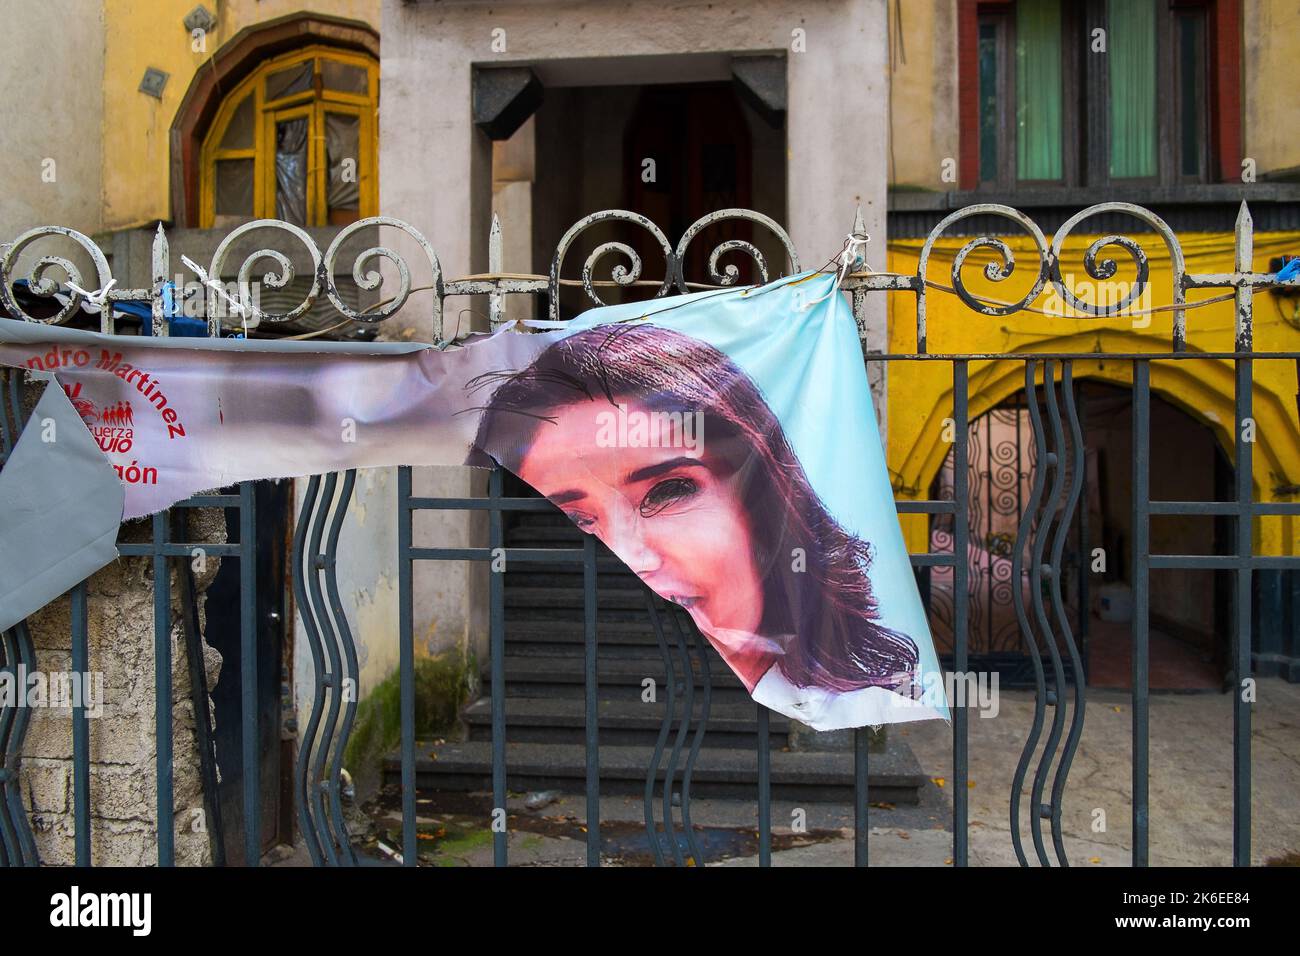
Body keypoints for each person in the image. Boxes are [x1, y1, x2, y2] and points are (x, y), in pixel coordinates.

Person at [468, 322, 944, 729]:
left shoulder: (873, 696)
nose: (631, 557)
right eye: (580, 518)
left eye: (668, 490)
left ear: (762, 486)